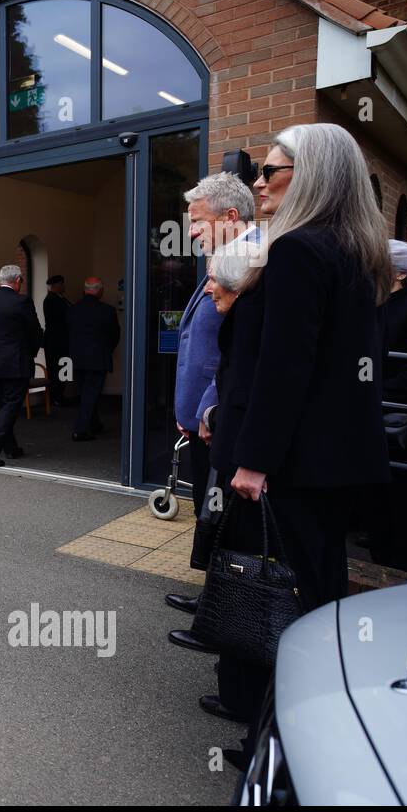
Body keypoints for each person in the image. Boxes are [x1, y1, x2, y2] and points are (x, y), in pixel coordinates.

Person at [211, 123, 391, 761]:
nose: (260, 181)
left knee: (289, 604)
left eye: (273, 170)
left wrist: (254, 460)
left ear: (310, 177)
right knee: (319, 594)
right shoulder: (358, 251)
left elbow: (286, 368)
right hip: (341, 460)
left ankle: (286, 743)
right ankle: (291, 728)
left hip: (297, 463)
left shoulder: (296, 251)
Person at [165, 172, 257, 615]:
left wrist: (205, 410)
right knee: (210, 513)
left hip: (217, 422)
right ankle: (214, 599)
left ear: (231, 216)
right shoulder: (224, 261)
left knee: (223, 520)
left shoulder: (252, 263)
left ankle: (222, 610)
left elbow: (239, 353)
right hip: (202, 423)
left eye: (199, 222)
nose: (193, 231)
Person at [367, 240, 407, 572]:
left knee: (399, 496)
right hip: (383, 410)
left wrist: (375, 389)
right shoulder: (386, 302)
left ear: (399, 273)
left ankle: (397, 559)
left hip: (400, 420)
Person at [0, 264, 42, 466]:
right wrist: (30, 352)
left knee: (3, 406)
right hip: (16, 362)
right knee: (12, 405)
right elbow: (35, 332)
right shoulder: (22, 302)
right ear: (18, 280)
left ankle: (10, 448)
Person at [66, 277, 120, 442]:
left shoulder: (73, 309)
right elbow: (114, 336)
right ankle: (80, 430)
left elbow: (67, 332)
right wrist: (105, 351)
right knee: (91, 394)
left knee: (85, 393)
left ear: (85, 290)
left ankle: (94, 423)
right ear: (100, 291)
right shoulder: (107, 310)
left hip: (78, 358)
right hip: (98, 359)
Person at [41, 274, 70, 405]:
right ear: (55, 286)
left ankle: (60, 394)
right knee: (56, 369)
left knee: (64, 367)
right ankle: (56, 396)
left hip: (61, 340)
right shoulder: (51, 300)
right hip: (55, 340)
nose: (63, 286)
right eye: (61, 284)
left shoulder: (60, 299)